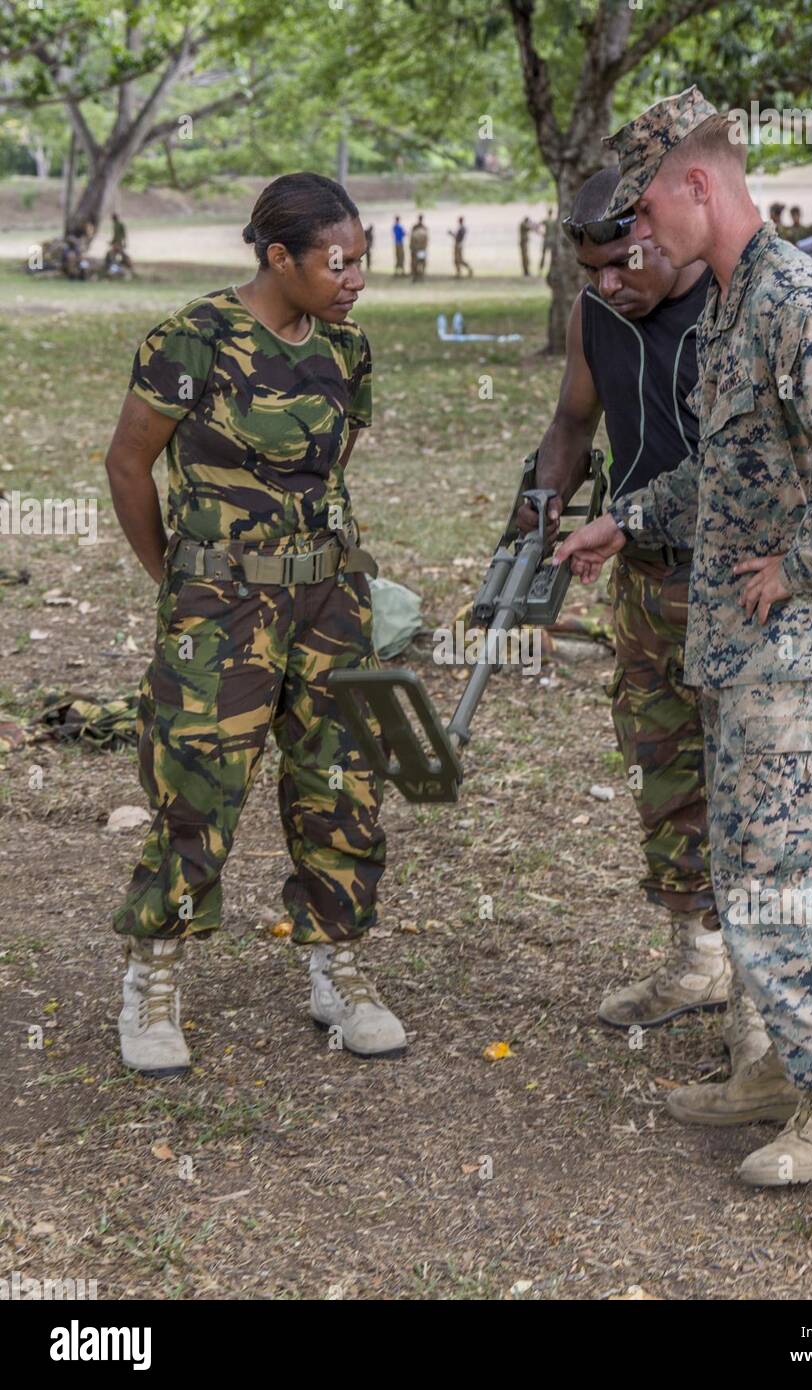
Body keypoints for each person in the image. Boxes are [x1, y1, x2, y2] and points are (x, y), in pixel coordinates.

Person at [555, 86, 812, 1187]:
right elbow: (726, 466)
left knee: (778, 872)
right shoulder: (734, 301)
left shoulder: (791, 297)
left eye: (649, 215)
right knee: (749, 857)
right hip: (744, 650)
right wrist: (631, 517)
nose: (641, 242)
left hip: (797, 648)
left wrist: (803, 562)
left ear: (696, 185)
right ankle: (785, 1073)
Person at [104, 172, 407, 1076]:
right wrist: (180, 580)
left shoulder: (346, 350)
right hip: (220, 607)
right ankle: (152, 977)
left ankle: (338, 971)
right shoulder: (190, 339)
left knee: (344, 783)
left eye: (362, 261)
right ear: (279, 256)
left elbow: (330, 470)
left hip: (328, 601)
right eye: (337, 261)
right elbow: (128, 466)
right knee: (196, 787)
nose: (355, 278)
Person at [517, 169, 762, 1048]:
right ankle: (696, 956)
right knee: (662, 770)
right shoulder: (595, 318)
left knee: (752, 787)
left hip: (738, 585)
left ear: (663, 224)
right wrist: (532, 525)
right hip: (640, 580)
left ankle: (762, 1002)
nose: (609, 286)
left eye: (622, 263)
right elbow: (571, 427)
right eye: (590, 273)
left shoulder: (746, 306)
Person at [538, 207, 557, 274]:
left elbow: (538, 225)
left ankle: (540, 269)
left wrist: (541, 233)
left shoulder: (546, 220)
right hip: (552, 239)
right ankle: (552, 270)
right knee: (552, 256)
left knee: (543, 255)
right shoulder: (554, 221)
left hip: (546, 239)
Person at [409, 214, 429, 280]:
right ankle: (420, 275)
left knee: (417, 262)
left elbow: (412, 238)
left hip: (416, 249)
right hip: (421, 249)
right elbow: (426, 240)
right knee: (421, 262)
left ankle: (417, 276)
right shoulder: (424, 228)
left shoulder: (415, 227)